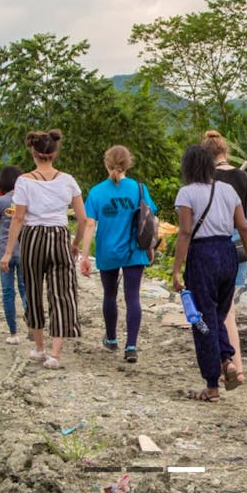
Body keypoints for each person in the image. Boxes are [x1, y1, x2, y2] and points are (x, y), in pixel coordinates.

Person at [172, 144, 247, 402]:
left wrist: (176, 270)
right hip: (228, 253)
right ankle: (227, 360)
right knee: (218, 316)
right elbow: (243, 228)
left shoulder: (187, 193)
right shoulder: (228, 190)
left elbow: (185, 233)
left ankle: (212, 385)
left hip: (203, 255)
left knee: (202, 320)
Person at [0, 129, 86, 370]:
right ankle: (55, 355)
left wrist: (8, 252)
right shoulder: (68, 180)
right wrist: (75, 244)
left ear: (33, 153)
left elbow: (18, 218)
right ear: (55, 153)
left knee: (34, 290)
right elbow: (82, 219)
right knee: (62, 294)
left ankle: (39, 348)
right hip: (59, 236)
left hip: (33, 238)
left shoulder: (24, 181)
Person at [79, 145, 158, 363]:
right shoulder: (139, 188)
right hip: (134, 251)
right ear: (128, 164)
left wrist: (84, 256)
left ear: (106, 164)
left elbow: (89, 225)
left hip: (107, 252)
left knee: (109, 295)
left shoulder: (96, 192)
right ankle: (131, 346)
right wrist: (150, 248)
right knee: (133, 297)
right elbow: (149, 219)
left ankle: (112, 339)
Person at [201, 130, 247, 388]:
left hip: (211, 244)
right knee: (228, 311)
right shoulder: (243, 176)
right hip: (239, 245)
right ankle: (236, 367)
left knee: (215, 310)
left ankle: (225, 365)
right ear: (225, 151)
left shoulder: (206, 178)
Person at [0, 165, 27, 344]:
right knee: (25, 288)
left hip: (4, 251)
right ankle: (31, 322)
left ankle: (13, 334)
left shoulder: (0, 202)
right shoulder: (26, 200)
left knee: (7, 292)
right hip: (24, 250)